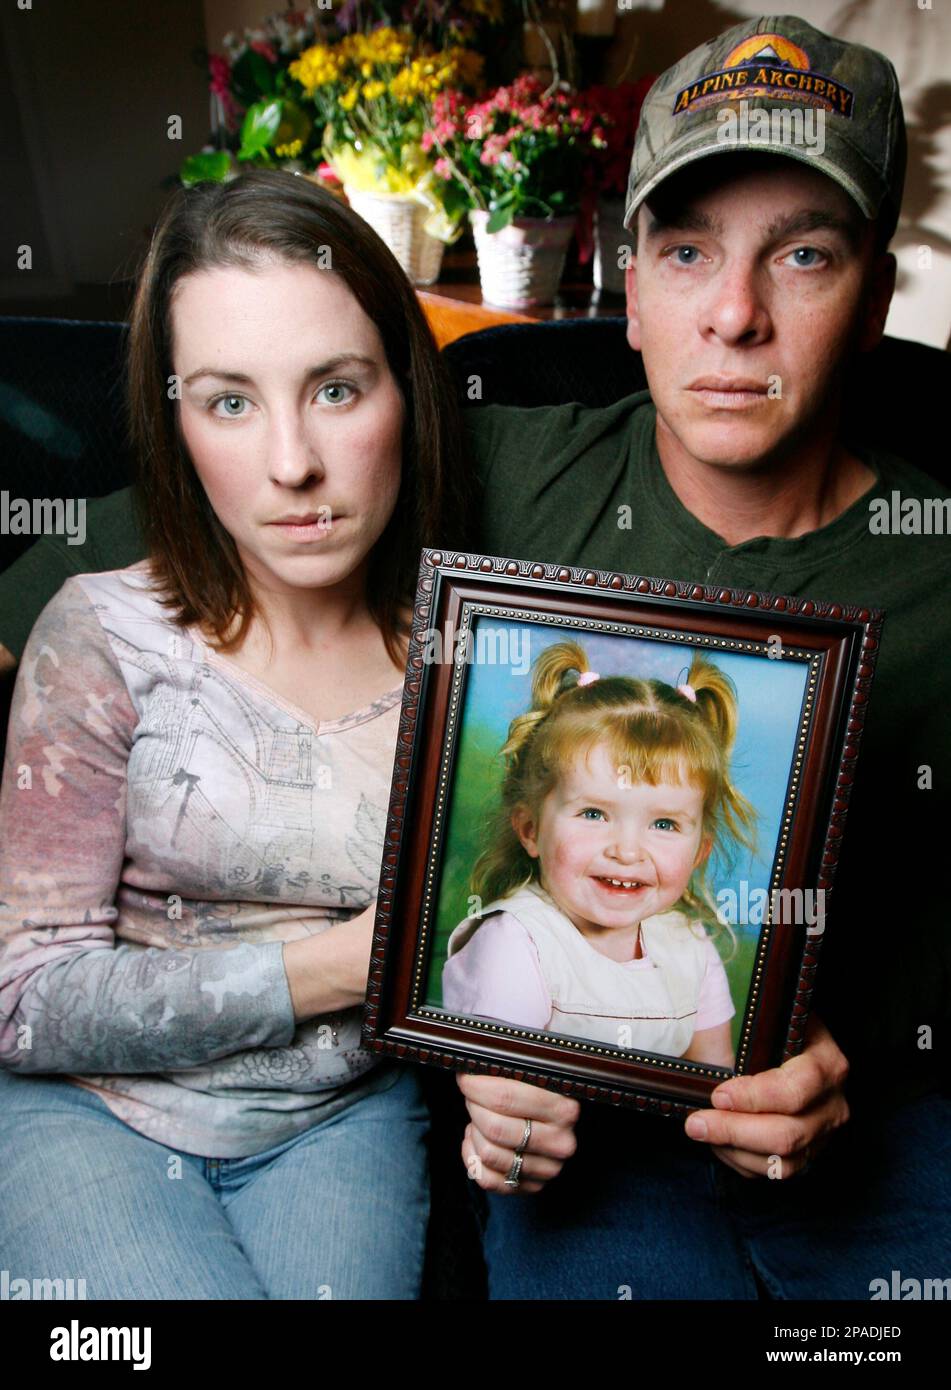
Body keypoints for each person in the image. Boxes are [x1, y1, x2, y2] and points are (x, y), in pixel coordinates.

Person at [1, 13, 948, 1298]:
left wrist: (859, 1062)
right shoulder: (486, 472)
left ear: (878, 296)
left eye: (806, 255)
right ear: (626, 283)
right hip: (567, 1157)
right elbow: (200, 528)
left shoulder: (931, 560)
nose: (734, 314)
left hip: (861, 1140)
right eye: (686, 251)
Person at [0, 167, 480, 1299]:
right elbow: (21, 999)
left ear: (405, 390)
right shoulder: (102, 634)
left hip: (341, 1127)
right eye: (229, 401)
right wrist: (344, 963)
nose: (291, 465)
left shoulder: (473, 667)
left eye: (336, 389)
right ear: (176, 419)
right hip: (87, 1115)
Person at [442, 641, 756, 1066]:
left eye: (664, 824)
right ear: (530, 830)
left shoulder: (689, 945)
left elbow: (714, 1082)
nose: (627, 851)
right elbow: (504, 1099)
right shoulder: (516, 944)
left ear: (700, 851)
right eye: (594, 814)